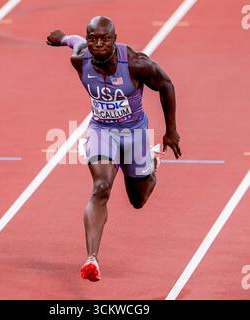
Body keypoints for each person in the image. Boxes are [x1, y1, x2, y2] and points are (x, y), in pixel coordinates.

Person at [46, 16, 181, 282]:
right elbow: (77, 43)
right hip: (101, 131)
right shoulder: (80, 60)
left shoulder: (135, 64)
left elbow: (166, 85)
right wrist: (62, 38)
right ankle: (91, 259)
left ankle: (151, 164)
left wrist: (171, 131)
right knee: (100, 188)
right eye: (93, 38)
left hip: (135, 134)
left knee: (138, 200)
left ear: (114, 40)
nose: (97, 44)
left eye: (104, 39)